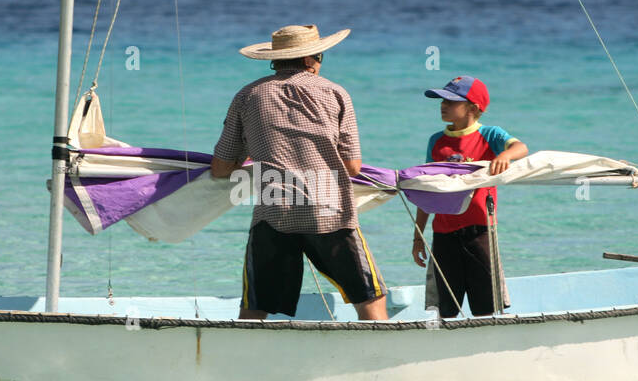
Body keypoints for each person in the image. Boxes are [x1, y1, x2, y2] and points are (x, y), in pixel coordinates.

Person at [210, 24, 387, 320]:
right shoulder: (336, 93)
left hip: (274, 214)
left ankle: (244, 361)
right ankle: (382, 358)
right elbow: (353, 166)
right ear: (309, 59)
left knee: (255, 308)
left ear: (274, 60)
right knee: (370, 298)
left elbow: (221, 167)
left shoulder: (247, 96)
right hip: (330, 213)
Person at [412, 75, 527, 318]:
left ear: (473, 108)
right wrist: (418, 237)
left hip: (480, 231)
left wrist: (504, 156)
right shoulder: (436, 141)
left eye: (451, 101)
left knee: (485, 307)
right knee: (446, 308)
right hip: (443, 234)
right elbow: (427, 190)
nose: (443, 105)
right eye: (441, 100)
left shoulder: (490, 135)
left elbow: (520, 148)